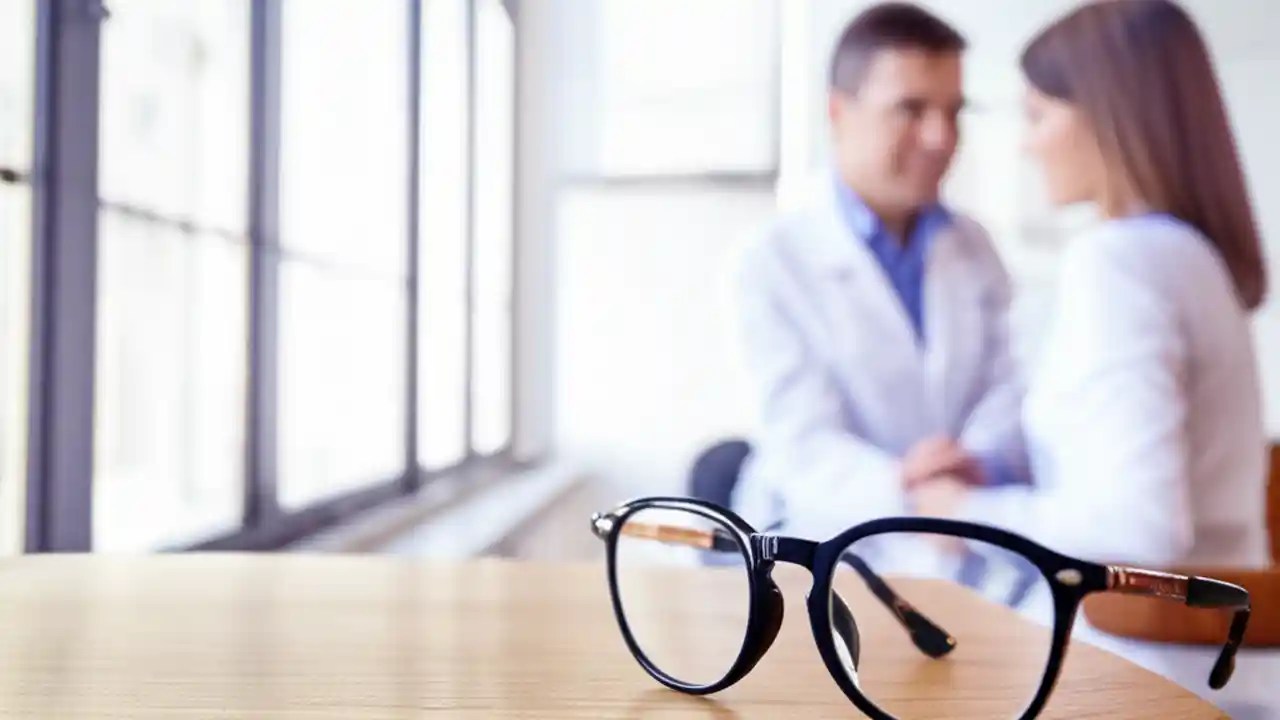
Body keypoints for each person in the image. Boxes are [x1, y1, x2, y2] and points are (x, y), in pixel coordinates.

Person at [914, 0, 1270, 570]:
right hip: (1216, 647)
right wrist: (1002, 469)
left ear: (1107, 114)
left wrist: (962, 513)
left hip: (1140, 647)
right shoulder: (1188, 255)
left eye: (1038, 115)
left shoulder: (1118, 261)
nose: (1028, 144)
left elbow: (1138, 528)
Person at [726, 3, 1028, 541]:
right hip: (825, 541)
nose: (940, 138)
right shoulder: (773, 259)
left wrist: (971, 462)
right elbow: (801, 440)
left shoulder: (974, 247)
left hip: (966, 532)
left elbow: (1009, 387)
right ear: (839, 111)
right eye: (911, 109)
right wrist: (904, 483)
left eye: (953, 111)